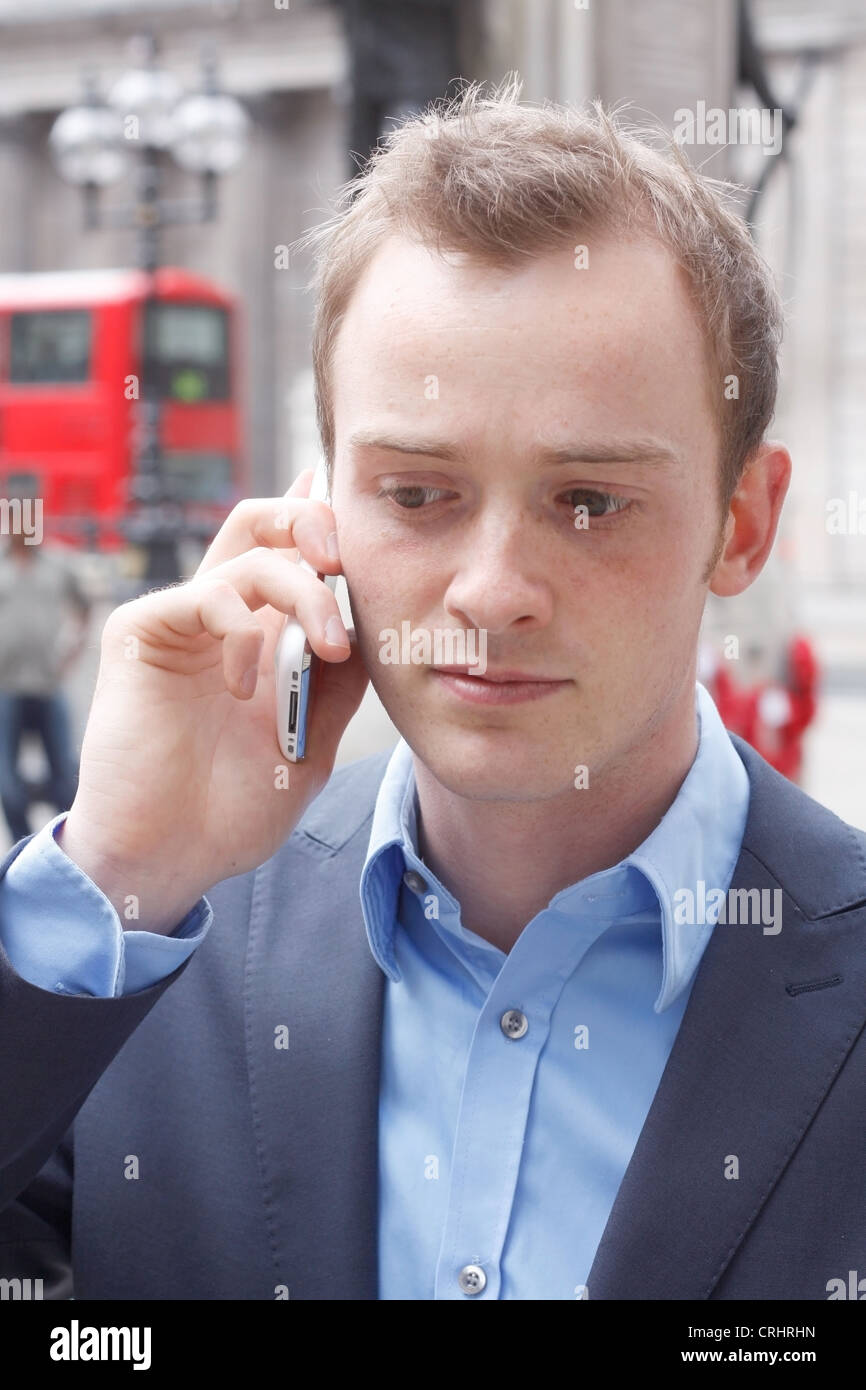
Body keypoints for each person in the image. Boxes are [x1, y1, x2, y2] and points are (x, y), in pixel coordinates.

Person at [1, 80, 863, 1303]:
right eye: (415, 495)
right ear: (318, 511)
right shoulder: (133, 961)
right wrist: (114, 870)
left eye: (588, 501)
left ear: (743, 522)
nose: (491, 590)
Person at [0, 523, 90, 843]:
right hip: (6, 688)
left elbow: (84, 605)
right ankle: (23, 850)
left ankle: (59, 851)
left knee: (65, 780)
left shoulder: (58, 564)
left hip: (48, 686)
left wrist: (71, 653)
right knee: (7, 785)